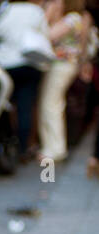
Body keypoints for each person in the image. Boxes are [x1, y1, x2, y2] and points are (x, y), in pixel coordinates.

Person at [0, 0, 57, 160]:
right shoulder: (35, 11)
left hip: (5, 64)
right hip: (28, 63)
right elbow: (45, 35)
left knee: (5, 105)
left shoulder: (4, 10)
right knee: (25, 106)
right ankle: (22, 148)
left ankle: (6, 143)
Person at [40, 0, 95, 160]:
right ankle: (51, 145)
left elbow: (48, 35)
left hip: (62, 65)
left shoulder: (72, 18)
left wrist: (49, 15)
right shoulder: (76, 18)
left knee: (51, 104)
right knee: (52, 103)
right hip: (63, 65)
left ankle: (55, 148)